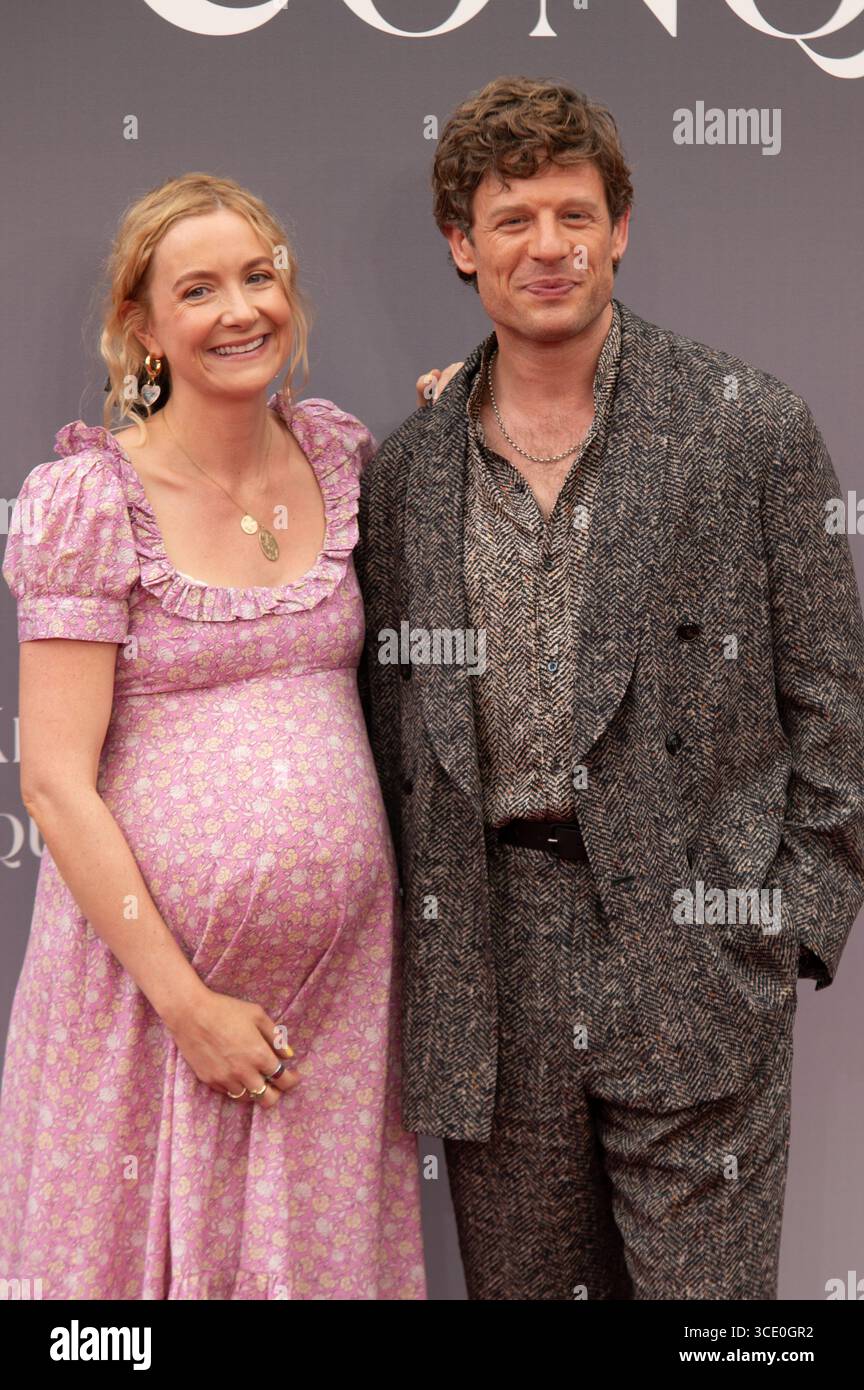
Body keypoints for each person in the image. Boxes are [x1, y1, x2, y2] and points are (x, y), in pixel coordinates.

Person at [355, 76, 864, 1300]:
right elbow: (390, 730)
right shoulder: (407, 471)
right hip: (490, 962)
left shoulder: (746, 427)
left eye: (575, 214)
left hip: (697, 943)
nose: (549, 246)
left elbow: (837, 703)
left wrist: (784, 922)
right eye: (514, 217)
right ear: (460, 243)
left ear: (620, 229)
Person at [0, 172, 428, 1300]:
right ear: (141, 325)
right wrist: (187, 1007)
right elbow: (52, 784)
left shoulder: (342, 463)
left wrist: (465, 416)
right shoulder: (90, 503)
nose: (241, 309)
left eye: (259, 275)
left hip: (334, 1006)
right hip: (146, 1009)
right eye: (199, 288)